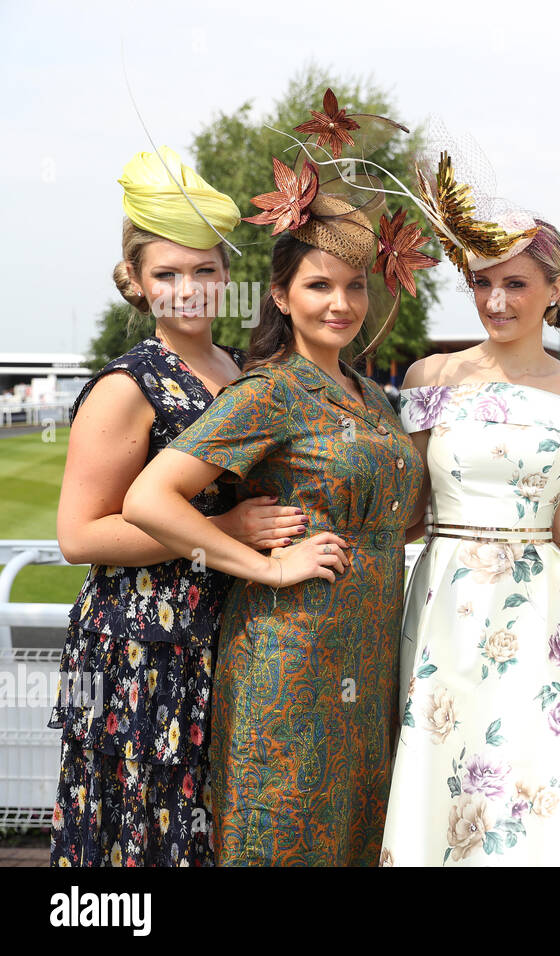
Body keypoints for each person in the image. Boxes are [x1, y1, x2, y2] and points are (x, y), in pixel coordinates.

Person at [124, 96, 432, 864]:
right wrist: (264, 563)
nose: (342, 304)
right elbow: (147, 499)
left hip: (369, 659)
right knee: (283, 836)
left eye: (356, 287)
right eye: (321, 286)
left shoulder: (373, 396)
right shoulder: (268, 391)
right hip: (287, 658)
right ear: (281, 295)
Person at [49, 147, 304, 867]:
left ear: (228, 274)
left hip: (224, 632)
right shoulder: (129, 385)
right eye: (166, 273)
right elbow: (78, 534)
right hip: (144, 647)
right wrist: (216, 531)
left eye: (204, 270)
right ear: (135, 280)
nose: (187, 289)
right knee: (148, 836)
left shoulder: (243, 370)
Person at [378, 135, 560, 865]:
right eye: (482, 282)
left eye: (515, 284)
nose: (495, 299)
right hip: (444, 605)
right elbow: (407, 511)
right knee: (447, 774)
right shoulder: (432, 376)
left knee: (539, 776)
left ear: (554, 288)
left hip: (546, 609)